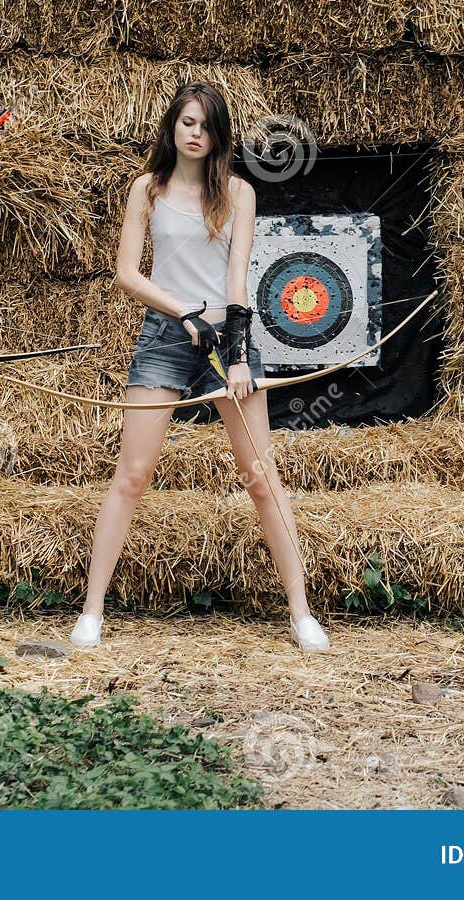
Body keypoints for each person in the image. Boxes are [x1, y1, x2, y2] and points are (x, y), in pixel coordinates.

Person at [69, 83, 330, 653]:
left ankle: (301, 612)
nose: (194, 133)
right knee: (132, 476)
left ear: (219, 136)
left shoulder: (238, 193)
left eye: (205, 126)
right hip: (168, 332)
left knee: (260, 477)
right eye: (187, 122)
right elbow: (127, 274)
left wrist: (236, 355)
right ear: (172, 127)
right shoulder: (147, 188)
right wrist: (182, 310)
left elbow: (238, 280)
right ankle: (91, 611)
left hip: (224, 335)